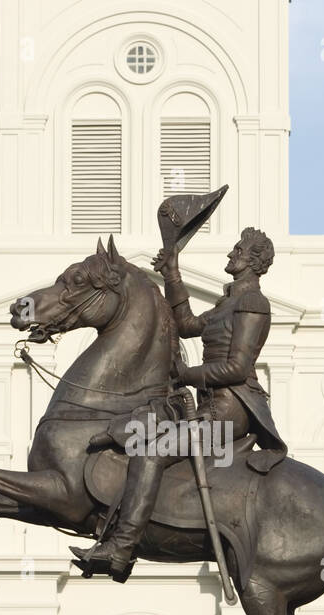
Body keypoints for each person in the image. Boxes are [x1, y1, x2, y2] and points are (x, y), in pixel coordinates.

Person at [71, 224, 287, 580]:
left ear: (255, 262)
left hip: (230, 411)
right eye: (235, 249)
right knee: (136, 431)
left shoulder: (252, 304)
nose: (232, 255)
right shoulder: (229, 302)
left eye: (240, 251)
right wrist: (171, 272)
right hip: (209, 406)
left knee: (151, 452)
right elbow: (186, 324)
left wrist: (187, 375)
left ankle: (122, 549)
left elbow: (238, 367)